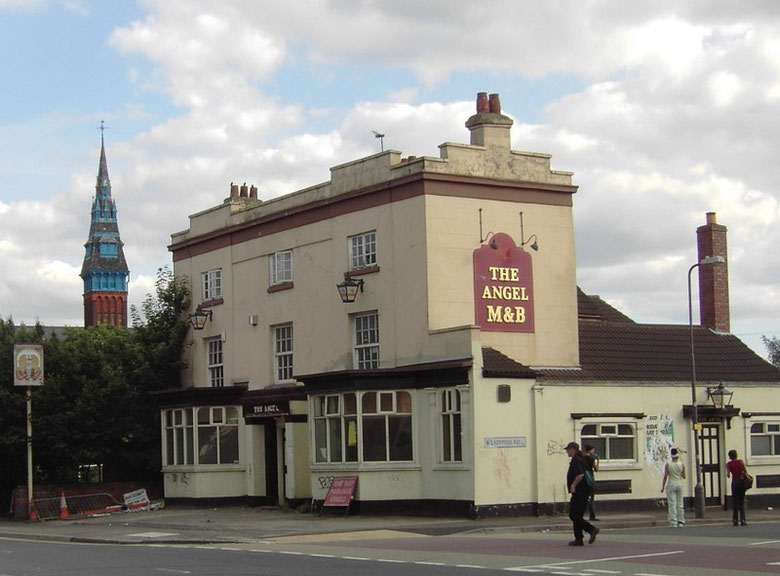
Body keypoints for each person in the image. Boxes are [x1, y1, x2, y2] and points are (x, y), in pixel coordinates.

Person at [565, 441, 600, 546]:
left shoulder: (576, 460)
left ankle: (592, 529)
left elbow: (580, 475)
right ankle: (578, 539)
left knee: (573, 515)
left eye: (568, 449)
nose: (567, 452)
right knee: (577, 515)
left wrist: (573, 486)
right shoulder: (583, 458)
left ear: (572, 449)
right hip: (584, 491)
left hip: (580, 491)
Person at [660, 448, 686, 527]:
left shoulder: (668, 464)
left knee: (672, 504)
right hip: (679, 484)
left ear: (671, 456)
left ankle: (673, 522)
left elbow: (665, 476)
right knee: (680, 504)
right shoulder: (682, 464)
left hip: (671, 484)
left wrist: (663, 487)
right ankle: (680, 521)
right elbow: (684, 476)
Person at [726, 449, 748, 526]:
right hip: (741, 482)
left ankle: (735, 520)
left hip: (734, 482)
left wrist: (729, 471)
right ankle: (743, 520)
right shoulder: (741, 462)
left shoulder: (728, 464)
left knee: (735, 501)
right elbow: (745, 471)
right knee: (741, 501)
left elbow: (728, 475)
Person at [583, 444, 600, 521]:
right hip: (590, 479)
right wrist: (598, 461)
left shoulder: (581, 458)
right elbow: (596, 469)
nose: (593, 451)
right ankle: (592, 515)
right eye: (593, 450)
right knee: (591, 498)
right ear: (589, 450)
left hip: (583, 479)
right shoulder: (591, 459)